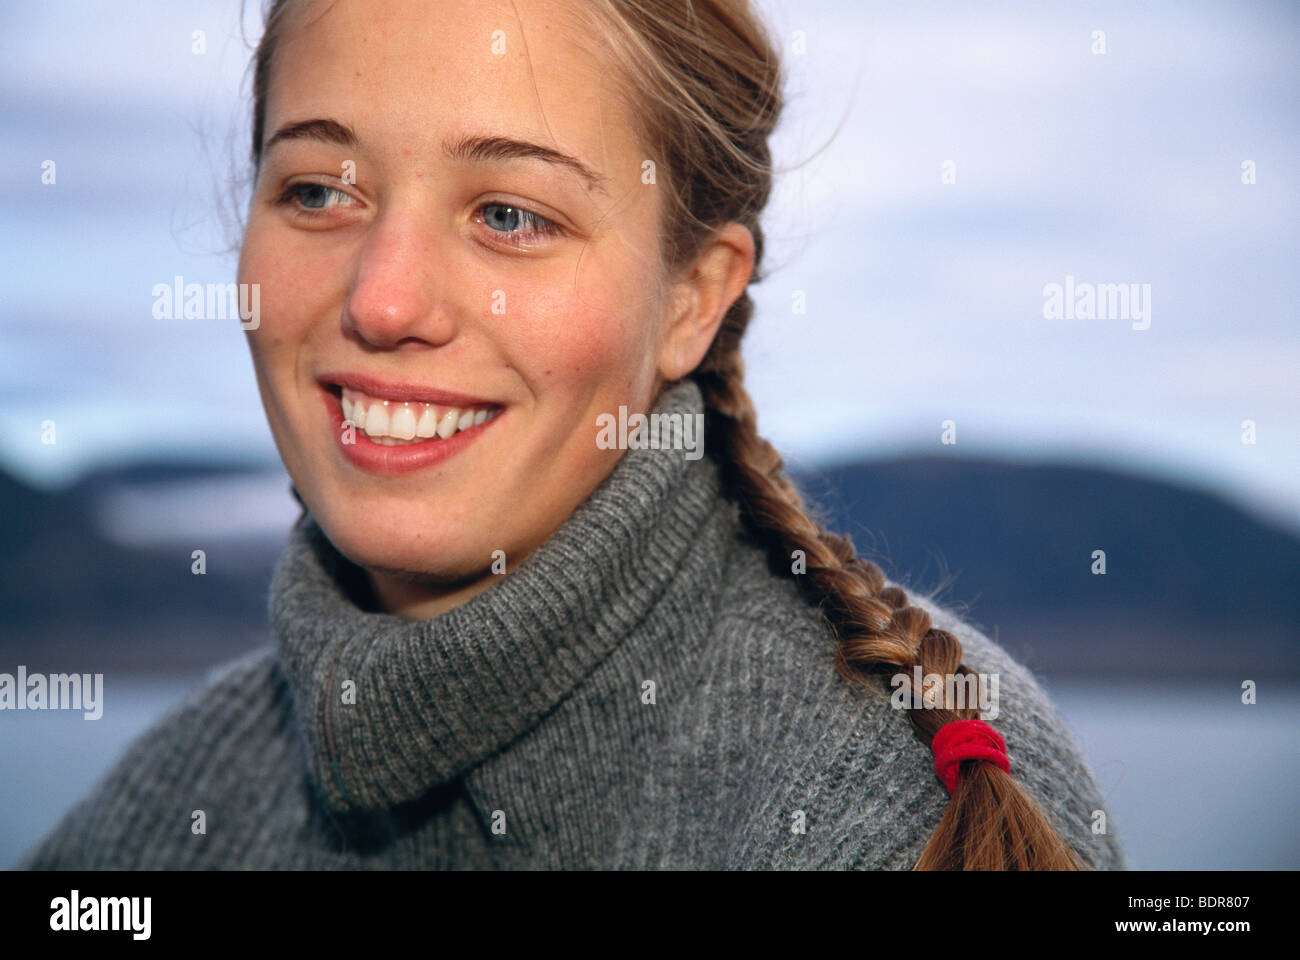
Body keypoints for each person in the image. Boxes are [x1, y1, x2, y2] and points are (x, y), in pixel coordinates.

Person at [19, 0, 1125, 870]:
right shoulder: (169, 810)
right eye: (318, 191)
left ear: (693, 296)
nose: (384, 300)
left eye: (508, 214)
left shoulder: (904, 809)